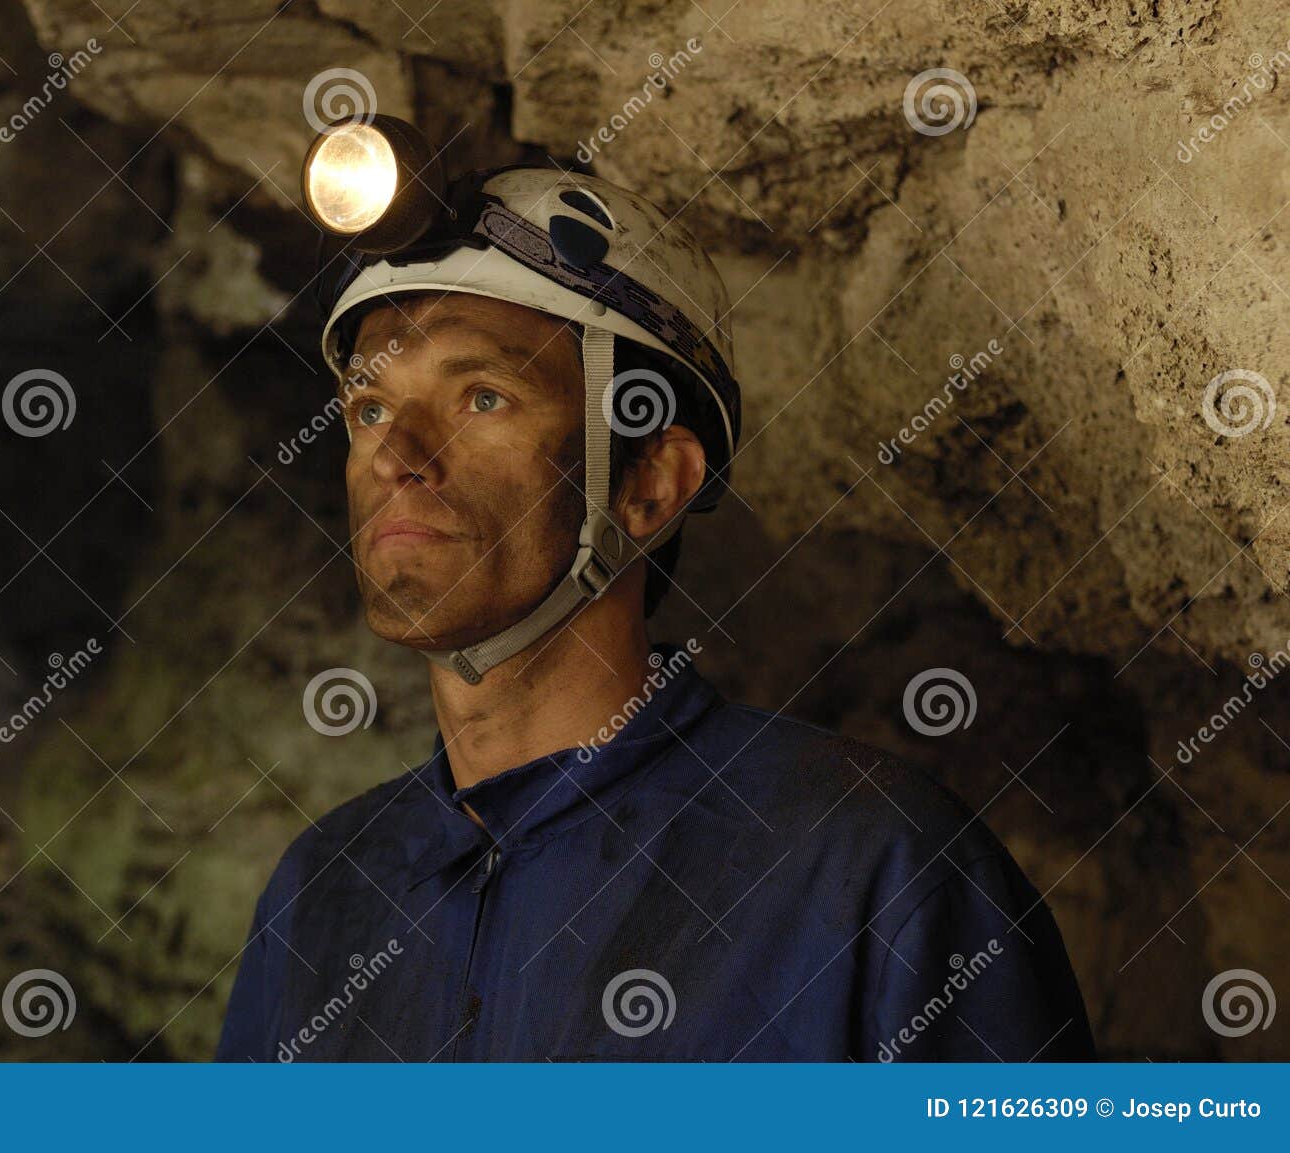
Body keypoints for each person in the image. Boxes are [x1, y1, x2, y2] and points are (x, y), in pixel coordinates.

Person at [216, 156, 1095, 1061]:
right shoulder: (323, 892)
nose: (396, 453)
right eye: (367, 408)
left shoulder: (871, 867)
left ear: (649, 485)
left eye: (483, 398)